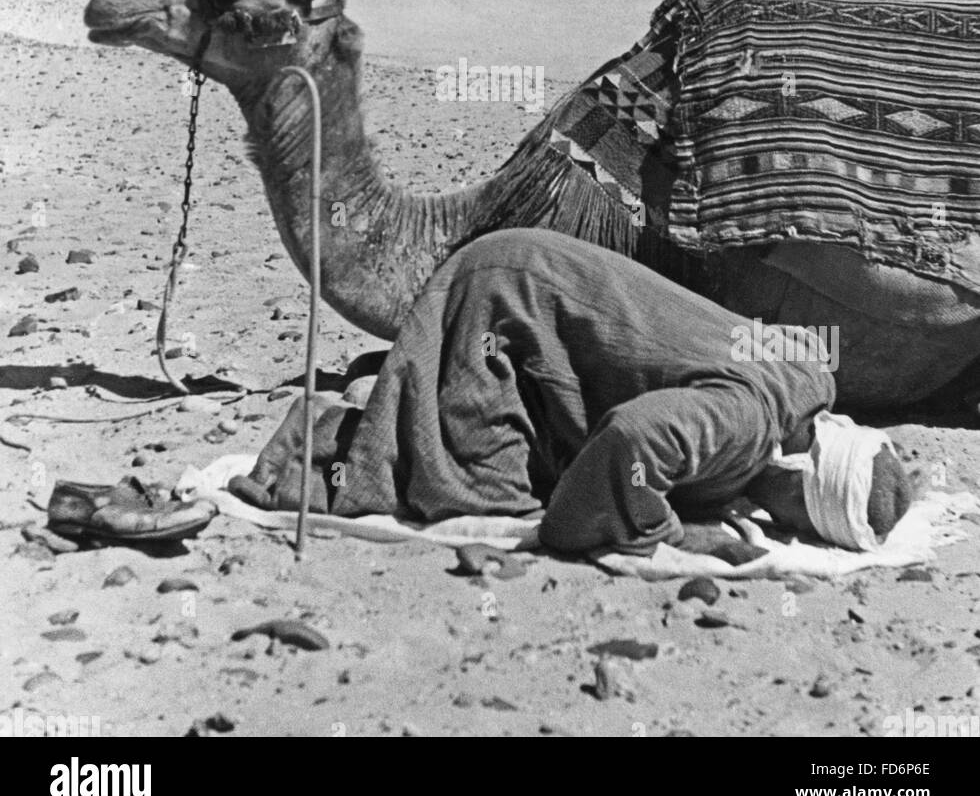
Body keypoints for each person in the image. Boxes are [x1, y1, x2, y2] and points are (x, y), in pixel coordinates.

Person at [230, 229, 913, 560]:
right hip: (505, 301)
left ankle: (415, 374)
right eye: (798, 516)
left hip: (539, 283)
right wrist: (681, 534)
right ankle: (335, 430)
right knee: (468, 488)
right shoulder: (742, 425)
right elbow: (628, 438)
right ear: (800, 479)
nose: (785, 523)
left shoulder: (811, 374)